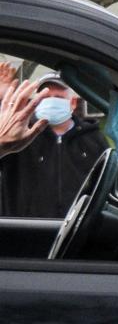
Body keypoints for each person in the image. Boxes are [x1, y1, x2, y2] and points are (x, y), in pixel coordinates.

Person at [0, 71, 110, 218]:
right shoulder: (21, 136)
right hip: (24, 230)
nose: (51, 102)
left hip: (75, 232)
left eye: (58, 97)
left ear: (73, 103)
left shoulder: (92, 139)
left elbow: (108, 185)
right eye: (45, 97)